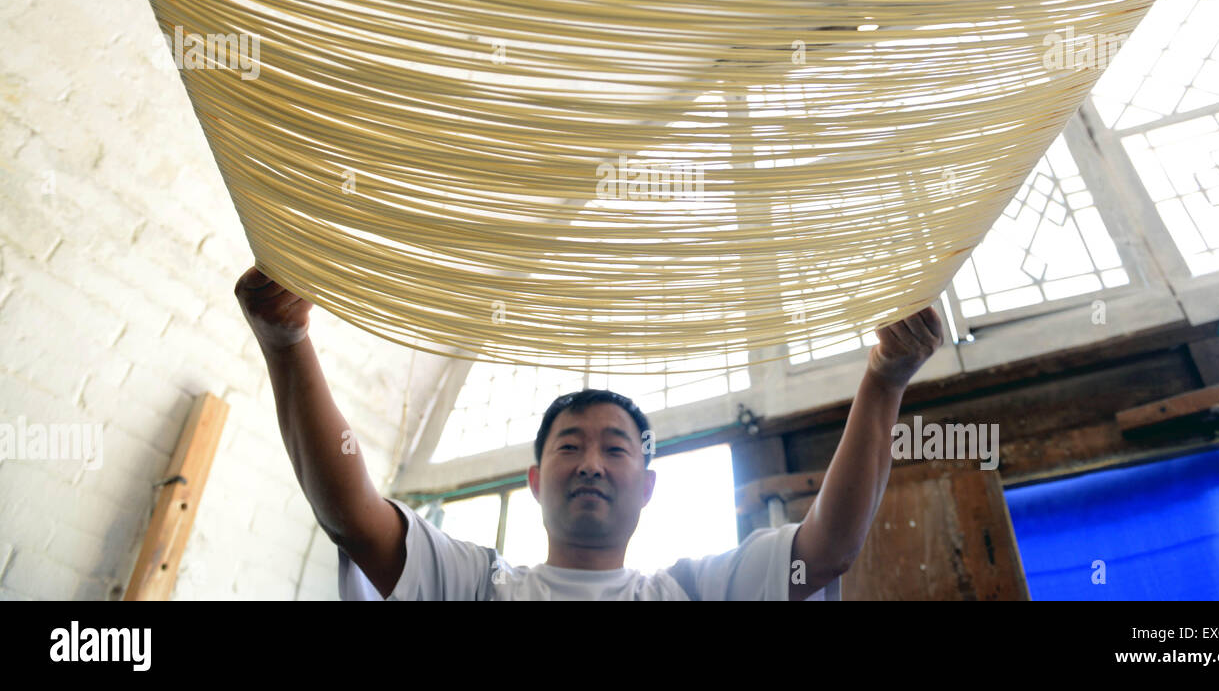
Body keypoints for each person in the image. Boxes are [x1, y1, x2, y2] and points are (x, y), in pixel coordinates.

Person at [235, 265, 943, 600]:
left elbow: (828, 548)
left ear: (649, 485)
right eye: (569, 446)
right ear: (536, 480)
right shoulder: (479, 586)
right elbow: (354, 518)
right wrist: (286, 344)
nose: (592, 464)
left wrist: (883, 382)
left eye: (615, 447)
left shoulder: (694, 592)